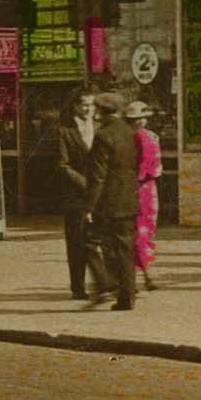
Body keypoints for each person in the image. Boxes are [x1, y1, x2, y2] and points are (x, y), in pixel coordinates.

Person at [84, 94, 141, 309]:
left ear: (101, 111)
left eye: (97, 110)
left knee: (90, 240)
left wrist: (89, 207)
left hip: (109, 201)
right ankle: (127, 295)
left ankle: (106, 286)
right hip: (129, 198)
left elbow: (98, 176)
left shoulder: (103, 135)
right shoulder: (130, 132)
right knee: (125, 248)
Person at [51, 90, 99, 298]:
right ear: (75, 107)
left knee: (100, 240)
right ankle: (78, 288)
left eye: (92, 105)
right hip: (77, 196)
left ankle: (105, 283)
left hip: (100, 194)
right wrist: (84, 183)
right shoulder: (64, 131)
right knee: (77, 242)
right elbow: (62, 165)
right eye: (85, 105)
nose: (89, 110)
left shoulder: (99, 128)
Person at [129, 99, 162, 292]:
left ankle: (139, 274)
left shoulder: (148, 136)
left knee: (144, 229)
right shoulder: (140, 137)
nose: (140, 121)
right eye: (136, 118)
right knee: (141, 231)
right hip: (142, 186)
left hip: (145, 187)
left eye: (142, 118)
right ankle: (147, 274)